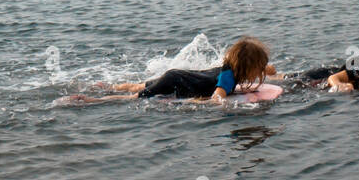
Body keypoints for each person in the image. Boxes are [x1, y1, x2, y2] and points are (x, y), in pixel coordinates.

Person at [95, 37, 271, 102]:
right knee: (134, 98)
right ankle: (90, 99)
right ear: (248, 68)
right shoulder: (228, 79)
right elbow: (217, 97)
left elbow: (264, 68)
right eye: (258, 70)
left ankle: (107, 86)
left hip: (175, 75)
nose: (260, 73)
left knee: (137, 86)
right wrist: (200, 103)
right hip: (175, 83)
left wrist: (268, 70)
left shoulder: (229, 67)